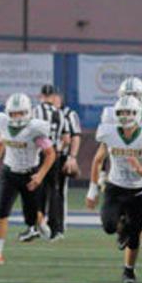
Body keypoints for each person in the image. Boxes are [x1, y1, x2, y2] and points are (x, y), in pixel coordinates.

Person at [86, 96, 142, 283]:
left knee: (135, 236)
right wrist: (93, 190)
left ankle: (129, 271)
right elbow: (98, 160)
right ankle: (122, 229)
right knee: (109, 226)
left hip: (138, 190)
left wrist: (139, 169)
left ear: (138, 114)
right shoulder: (109, 134)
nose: (125, 116)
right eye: (121, 112)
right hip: (115, 187)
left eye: (129, 112)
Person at [0, 93, 56, 264]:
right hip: (9, 173)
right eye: (13, 113)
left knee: (30, 217)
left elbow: (50, 153)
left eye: (21, 113)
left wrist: (40, 175)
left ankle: (39, 219)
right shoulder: (3, 123)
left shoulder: (35, 129)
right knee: (1, 212)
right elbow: (1, 143)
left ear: (28, 112)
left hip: (30, 175)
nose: (17, 117)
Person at [30, 84, 66, 241]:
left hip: (40, 154)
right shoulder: (60, 113)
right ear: (52, 96)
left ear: (41, 96)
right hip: (55, 155)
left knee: (36, 188)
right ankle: (55, 228)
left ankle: (36, 224)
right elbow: (65, 137)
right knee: (54, 191)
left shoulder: (36, 111)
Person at [52, 90, 81, 240]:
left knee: (59, 191)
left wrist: (72, 157)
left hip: (62, 157)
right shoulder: (42, 113)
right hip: (45, 156)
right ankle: (40, 225)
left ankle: (59, 227)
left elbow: (75, 136)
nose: (53, 100)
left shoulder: (69, 114)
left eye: (56, 97)